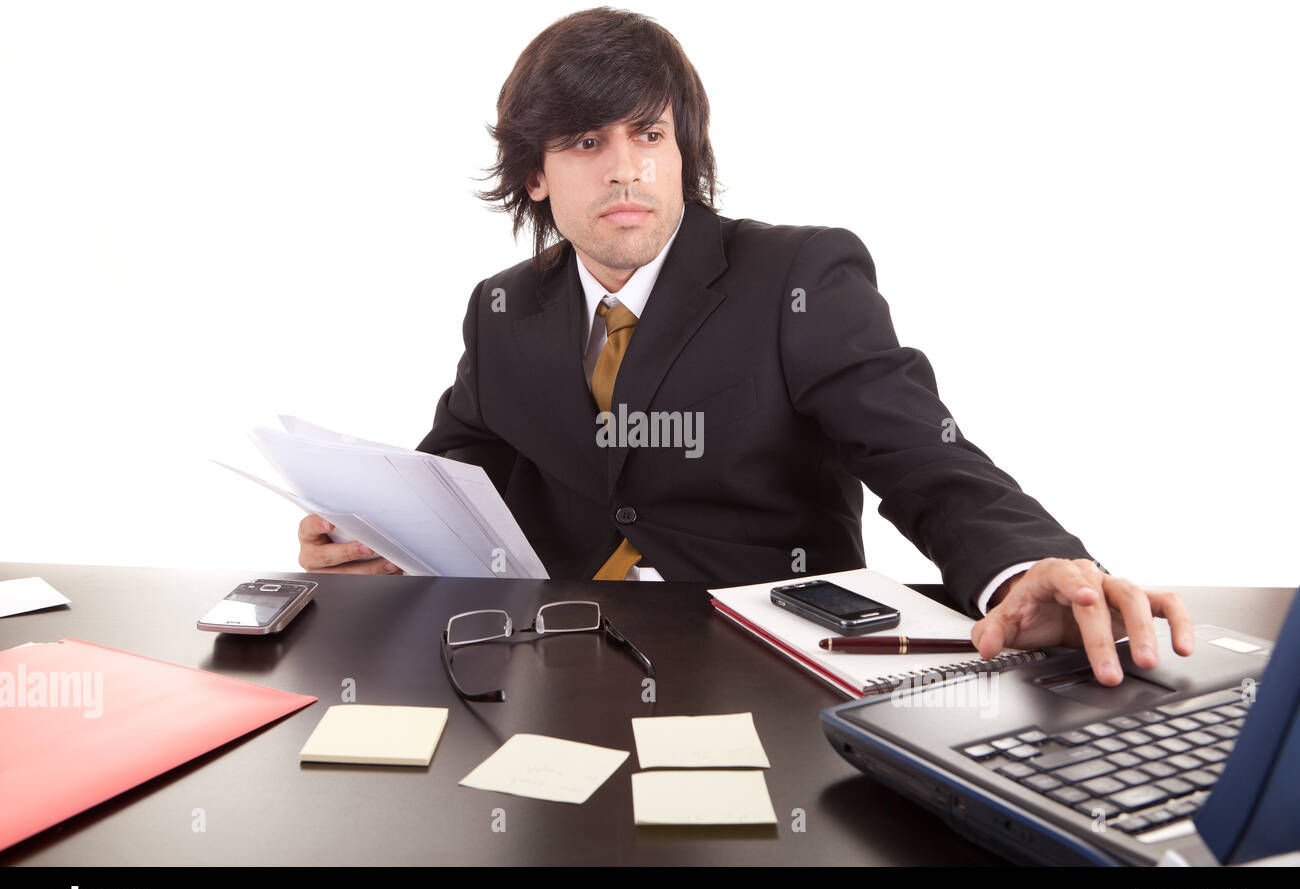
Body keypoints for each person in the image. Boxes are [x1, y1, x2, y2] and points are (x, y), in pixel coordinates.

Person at [298, 6, 1194, 686]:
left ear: (683, 150)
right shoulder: (501, 309)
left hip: (771, 665)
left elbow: (924, 457)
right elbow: (457, 477)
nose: (625, 168)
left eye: (649, 135)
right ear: (536, 173)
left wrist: (1023, 567)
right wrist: (375, 536)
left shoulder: (797, 275)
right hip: (558, 667)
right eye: (584, 141)